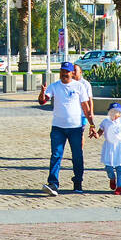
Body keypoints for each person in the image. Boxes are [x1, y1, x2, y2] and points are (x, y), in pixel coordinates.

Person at [37, 61, 96, 196]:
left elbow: (86, 107)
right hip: (58, 127)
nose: (64, 74)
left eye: (67, 72)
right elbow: (42, 101)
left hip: (75, 127)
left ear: (72, 73)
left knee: (77, 156)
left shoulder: (79, 86)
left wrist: (92, 124)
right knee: (56, 155)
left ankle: (78, 182)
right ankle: (53, 183)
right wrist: (42, 92)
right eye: (62, 71)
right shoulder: (54, 86)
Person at [97, 102, 121, 194]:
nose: (113, 114)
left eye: (116, 112)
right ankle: (112, 177)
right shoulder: (105, 122)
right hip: (109, 147)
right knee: (108, 167)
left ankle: (120, 186)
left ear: (120, 114)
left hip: (120, 147)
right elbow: (100, 131)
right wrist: (96, 134)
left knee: (120, 168)